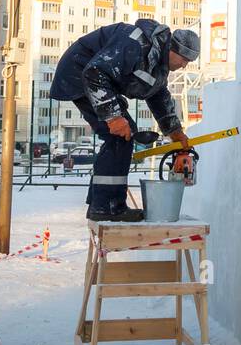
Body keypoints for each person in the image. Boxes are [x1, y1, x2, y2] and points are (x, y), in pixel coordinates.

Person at [50, 20, 200, 222]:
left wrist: (174, 131)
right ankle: (107, 206)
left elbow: (157, 95)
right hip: (80, 73)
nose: (184, 66)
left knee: (123, 136)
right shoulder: (136, 44)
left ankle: (100, 202)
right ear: (172, 48)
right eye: (184, 59)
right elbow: (95, 73)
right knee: (120, 136)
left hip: (96, 78)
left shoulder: (158, 63)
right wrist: (113, 116)